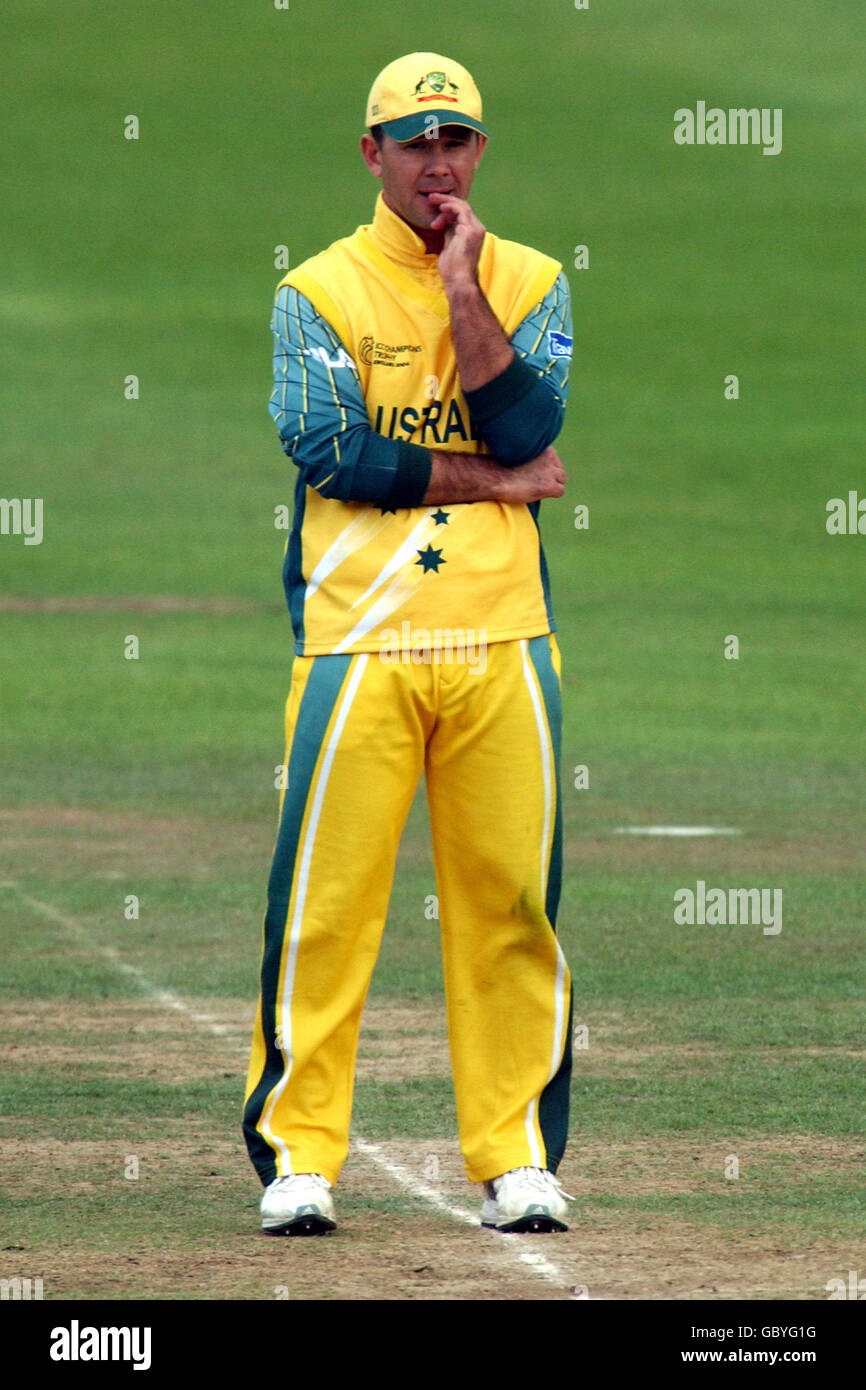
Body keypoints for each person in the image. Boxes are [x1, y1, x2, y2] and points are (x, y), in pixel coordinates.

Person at [243, 51, 574, 1236]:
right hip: (356, 649)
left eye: (456, 138)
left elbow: (533, 418)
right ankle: (299, 1156)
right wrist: (499, 482)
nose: (436, 160)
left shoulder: (527, 279)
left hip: (502, 643)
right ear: (370, 152)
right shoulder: (314, 290)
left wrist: (465, 290)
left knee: (509, 908)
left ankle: (516, 1157)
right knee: (323, 913)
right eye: (413, 139)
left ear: (479, 151)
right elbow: (334, 452)